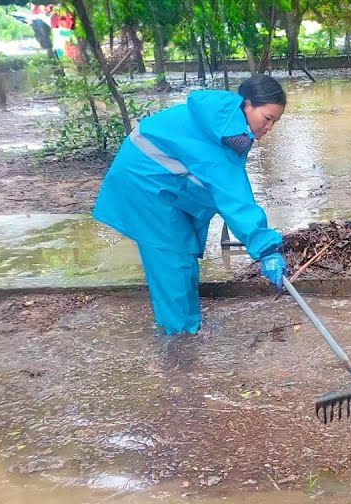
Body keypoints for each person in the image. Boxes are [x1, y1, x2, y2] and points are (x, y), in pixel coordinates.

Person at [92, 75, 289, 335]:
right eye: (267, 118)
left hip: (164, 184)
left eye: (275, 121)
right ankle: (178, 340)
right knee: (172, 264)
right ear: (248, 104)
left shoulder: (227, 120)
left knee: (184, 258)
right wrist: (266, 249)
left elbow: (224, 186)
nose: (269, 127)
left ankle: (187, 330)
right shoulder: (223, 133)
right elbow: (235, 200)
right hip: (144, 185)